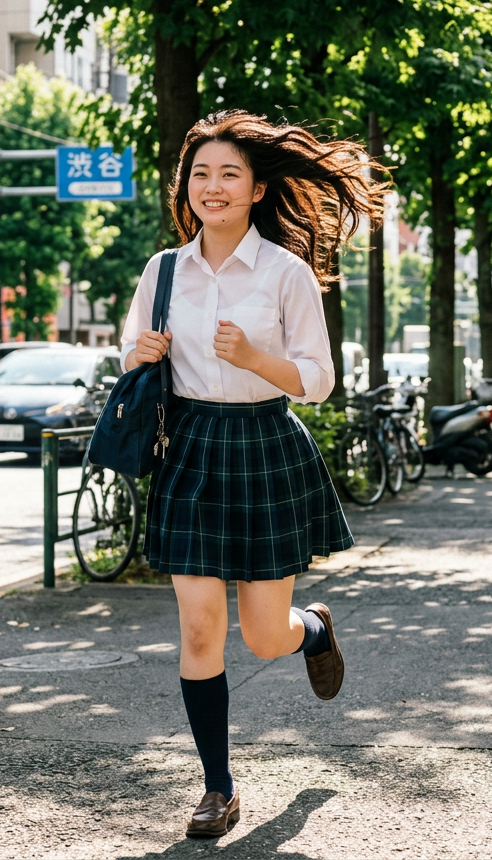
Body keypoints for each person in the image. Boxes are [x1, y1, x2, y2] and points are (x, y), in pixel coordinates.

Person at [119, 110, 387, 839]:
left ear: (257, 187)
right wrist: (140, 353)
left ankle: (313, 631)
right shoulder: (163, 270)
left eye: (229, 174)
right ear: (186, 187)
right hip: (192, 449)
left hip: (266, 442)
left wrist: (253, 360)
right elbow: (132, 361)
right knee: (201, 628)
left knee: (264, 636)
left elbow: (318, 380)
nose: (212, 186)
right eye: (200, 173)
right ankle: (217, 788)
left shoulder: (285, 272)